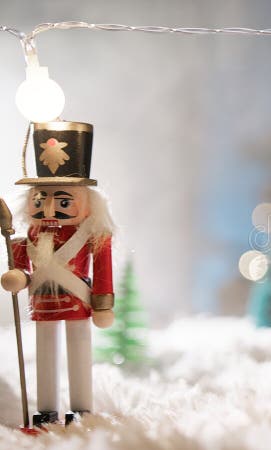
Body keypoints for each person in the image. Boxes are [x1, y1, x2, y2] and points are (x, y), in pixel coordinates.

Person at [1, 121, 115, 426]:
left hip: (78, 302)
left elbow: (103, 269)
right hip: (42, 303)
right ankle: (47, 412)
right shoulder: (29, 237)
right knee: (45, 356)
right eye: (41, 200)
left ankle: (81, 410)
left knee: (79, 352)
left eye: (63, 201)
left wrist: (103, 305)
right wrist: (17, 277)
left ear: (88, 205)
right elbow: (21, 268)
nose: (49, 208)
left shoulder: (92, 234)